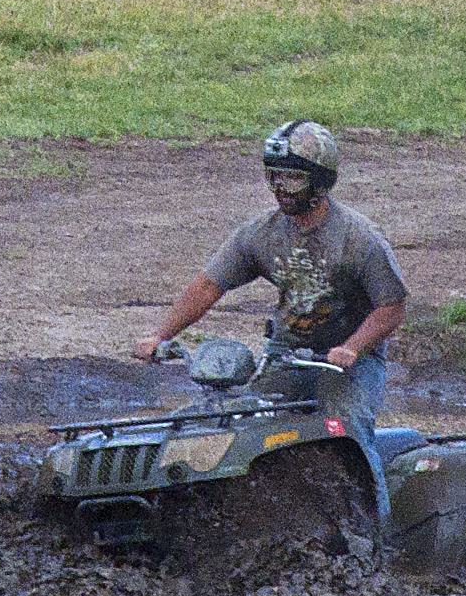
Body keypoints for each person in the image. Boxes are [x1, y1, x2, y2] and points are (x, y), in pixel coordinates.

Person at [132, 120, 407, 518]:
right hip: (286, 352)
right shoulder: (261, 234)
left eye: (292, 178)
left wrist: (352, 348)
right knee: (242, 422)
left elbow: (392, 307)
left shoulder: (359, 239)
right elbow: (208, 286)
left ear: (320, 182)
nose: (280, 187)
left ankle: (375, 532)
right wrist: (160, 335)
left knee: (349, 433)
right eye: (274, 176)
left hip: (350, 361)